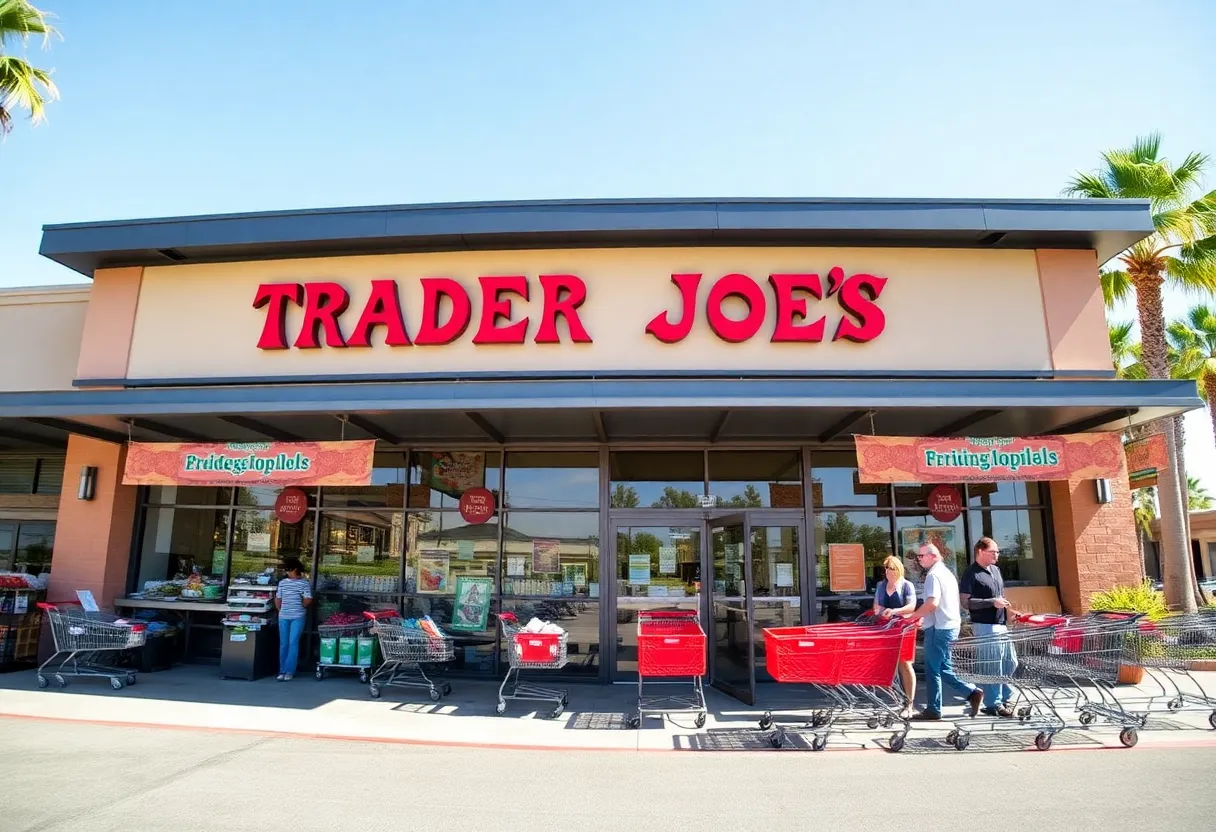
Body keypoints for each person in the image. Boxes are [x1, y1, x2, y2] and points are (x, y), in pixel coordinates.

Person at [901, 543, 983, 720]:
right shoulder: (947, 573)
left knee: (932, 669)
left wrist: (913, 617)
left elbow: (932, 603)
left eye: (922, 556)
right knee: (944, 668)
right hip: (950, 626)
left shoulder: (933, 575)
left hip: (939, 629)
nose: (919, 559)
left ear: (933, 556)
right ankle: (971, 692)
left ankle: (933, 709)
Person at [960, 537, 1018, 717]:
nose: (997, 555)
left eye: (998, 552)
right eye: (993, 552)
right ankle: (994, 703)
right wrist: (992, 602)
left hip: (1001, 624)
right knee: (993, 666)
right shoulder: (971, 573)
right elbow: (965, 603)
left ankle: (1005, 693)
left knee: (1010, 662)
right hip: (984, 625)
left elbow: (1001, 597)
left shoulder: (995, 570)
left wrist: (1009, 611)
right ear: (980, 551)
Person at [871, 555, 917, 718]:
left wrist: (895, 611)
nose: (888, 572)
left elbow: (911, 606)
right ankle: (894, 699)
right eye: (886, 568)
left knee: (905, 664)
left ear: (898, 569)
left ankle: (909, 704)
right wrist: (882, 611)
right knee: (887, 663)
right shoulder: (881, 585)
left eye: (891, 568)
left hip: (904, 628)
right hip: (886, 628)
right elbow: (876, 606)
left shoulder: (906, 586)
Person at [275, 557, 312, 681]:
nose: (287, 572)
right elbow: (278, 598)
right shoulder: (282, 583)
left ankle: (289, 670)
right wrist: (280, 610)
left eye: (288, 570)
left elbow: (308, 598)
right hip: (284, 616)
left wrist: (301, 606)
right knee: (284, 643)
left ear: (295, 569)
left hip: (297, 616)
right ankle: (282, 670)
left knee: (292, 642)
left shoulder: (304, 583)